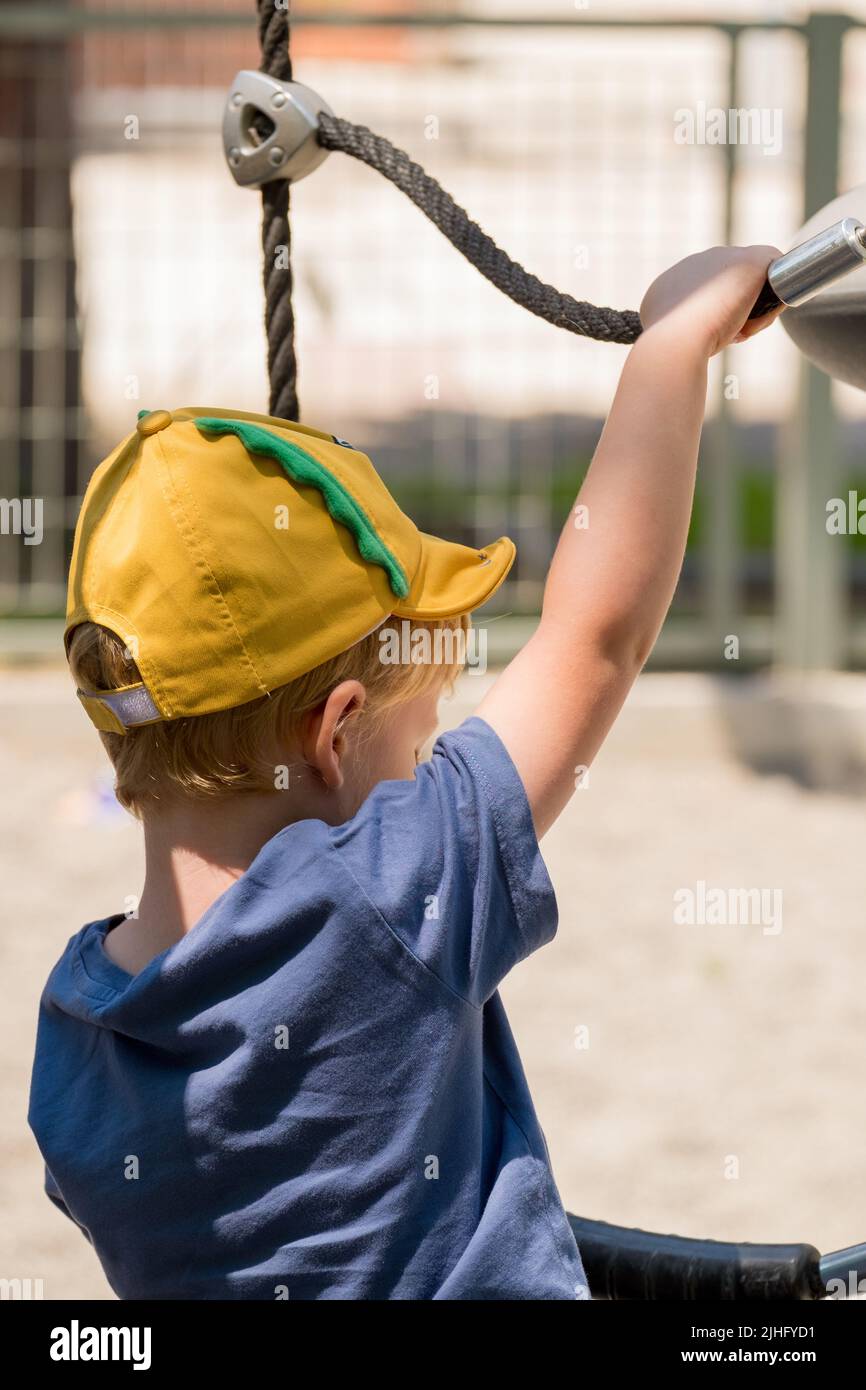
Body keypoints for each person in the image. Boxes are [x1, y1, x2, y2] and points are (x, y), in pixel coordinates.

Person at [28, 245, 781, 1300]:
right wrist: (672, 345)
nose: (431, 769)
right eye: (419, 743)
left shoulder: (72, 1041)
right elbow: (594, 638)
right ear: (334, 736)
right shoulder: (384, 898)